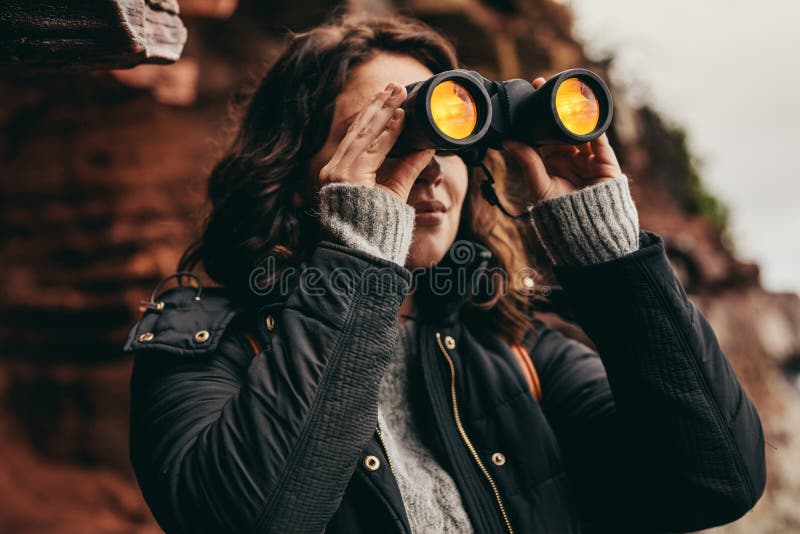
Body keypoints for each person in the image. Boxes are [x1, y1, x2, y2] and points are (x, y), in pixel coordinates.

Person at [123, 14, 766, 534]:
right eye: (383, 138)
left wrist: (606, 248)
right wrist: (360, 252)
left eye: (449, 143)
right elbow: (248, 515)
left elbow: (713, 483)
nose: (430, 169)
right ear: (293, 174)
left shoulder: (521, 355)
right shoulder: (203, 345)